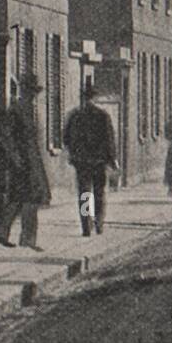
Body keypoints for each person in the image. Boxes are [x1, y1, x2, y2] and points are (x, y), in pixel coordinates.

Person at [0, 74, 51, 251]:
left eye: (34, 93)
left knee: (20, 200)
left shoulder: (27, 110)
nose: (32, 96)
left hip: (31, 162)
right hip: (22, 163)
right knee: (26, 200)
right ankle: (25, 239)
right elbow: (5, 138)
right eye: (30, 92)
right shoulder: (15, 110)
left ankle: (2, 235)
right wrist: (15, 159)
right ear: (23, 91)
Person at [63, 83, 117, 236]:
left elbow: (66, 138)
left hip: (81, 162)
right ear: (95, 97)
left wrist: (74, 154)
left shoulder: (74, 115)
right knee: (99, 193)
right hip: (99, 162)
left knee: (85, 194)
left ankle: (86, 226)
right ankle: (99, 223)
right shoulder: (103, 115)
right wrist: (112, 159)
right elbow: (109, 139)